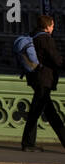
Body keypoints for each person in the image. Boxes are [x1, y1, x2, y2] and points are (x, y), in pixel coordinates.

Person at [21, 14, 65, 152]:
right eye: (52, 25)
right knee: (44, 114)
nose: (53, 27)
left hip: (36, 78)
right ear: (47, 26)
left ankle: (28, 143)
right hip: (44, 80)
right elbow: (57, 60)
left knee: (46, 112)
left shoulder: (33, 36)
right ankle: (27, 144)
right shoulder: (45, 39)